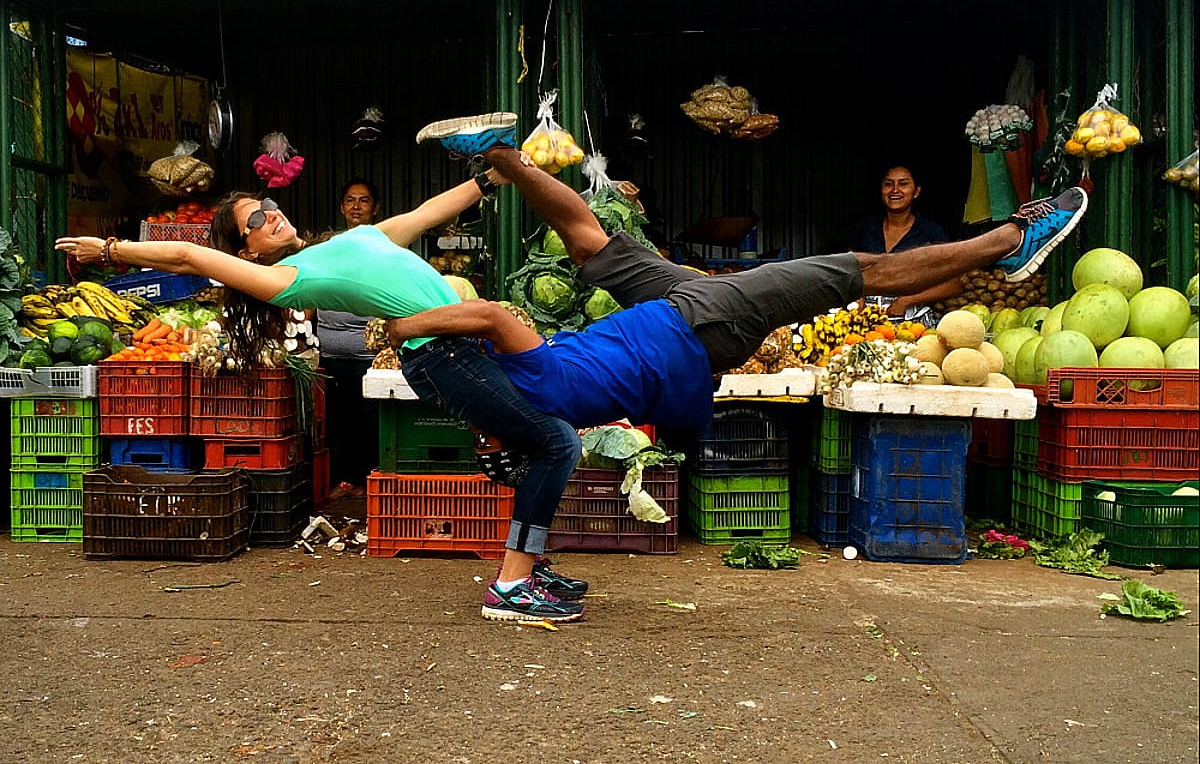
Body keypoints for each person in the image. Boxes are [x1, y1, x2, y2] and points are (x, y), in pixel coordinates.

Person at [55, 131, 591, 625]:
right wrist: (107, 250)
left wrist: (488, 179)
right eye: (255, 220)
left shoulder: (348, 241)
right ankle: (514, 584)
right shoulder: (286, 279)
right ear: (246, 252)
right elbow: (193, 256)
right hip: (441, 356)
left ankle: (527, 566)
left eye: (267, 205)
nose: (270, 215)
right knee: (555, 442)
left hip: (459, 346)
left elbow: (427, 213)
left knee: (544, 444)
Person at [389, 116, 1089, 433]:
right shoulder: (507, 383)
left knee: (588, 243)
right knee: (860, 270)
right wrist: (410, 324)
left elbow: (484, 321)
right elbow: (489, 316)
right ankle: (1010, 239)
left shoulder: (499, 385)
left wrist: (414, 328)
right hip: (698, 325)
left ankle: (504, 159)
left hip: (675, 311)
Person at [310, 178, 384, 499]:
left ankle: (368, 479)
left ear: (375, 208)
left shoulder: (382, 246)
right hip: (330, 355)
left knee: (369, 422)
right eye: (350, 200)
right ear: (342, 207)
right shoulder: (328, 246)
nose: (356, 206)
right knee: (337, 423)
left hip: (368, 356)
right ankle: (343, 481)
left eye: (364, 201)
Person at [849, 165, 960, 327]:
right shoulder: (865, 229)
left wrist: (907, 300)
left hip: (914, 325)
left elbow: (952, 286)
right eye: (888, 184)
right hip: (867, 324)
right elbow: (851, 273)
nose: (895, 190)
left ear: (916, 191)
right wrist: (857, 299)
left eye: (903, 184)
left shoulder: (930, 233)